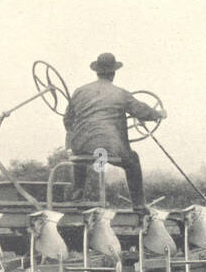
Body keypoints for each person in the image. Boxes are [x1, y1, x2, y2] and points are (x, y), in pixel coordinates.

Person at [63, 52, 166, 208]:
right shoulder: (120, 93)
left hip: (81, 146)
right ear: (113, 73)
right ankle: (139, 205)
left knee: (80, 155)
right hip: (110, 148)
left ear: (97, 71)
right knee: (132, 160)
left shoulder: (79, 91)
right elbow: (142, 111)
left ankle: (77, 196)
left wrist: (80, 134)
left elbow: (67, 120)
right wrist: (159, 114)